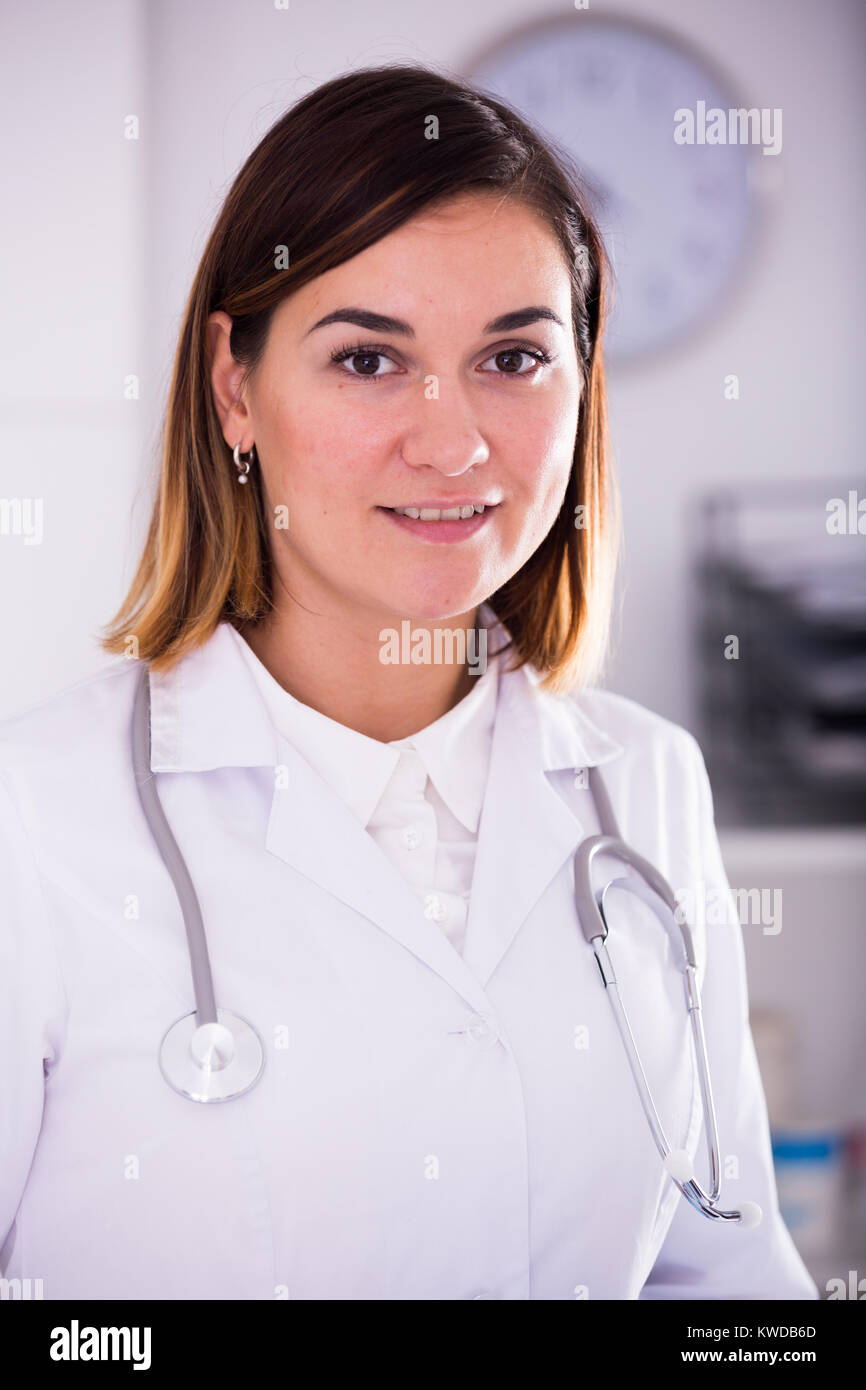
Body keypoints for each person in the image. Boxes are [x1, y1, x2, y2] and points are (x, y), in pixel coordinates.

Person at [0, 63, 816, 1300]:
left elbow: (727, 1287)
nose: (450, 440)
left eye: (514, 357)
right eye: (369, 361)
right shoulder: (36, 822)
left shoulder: (643, 789)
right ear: (235, 387)